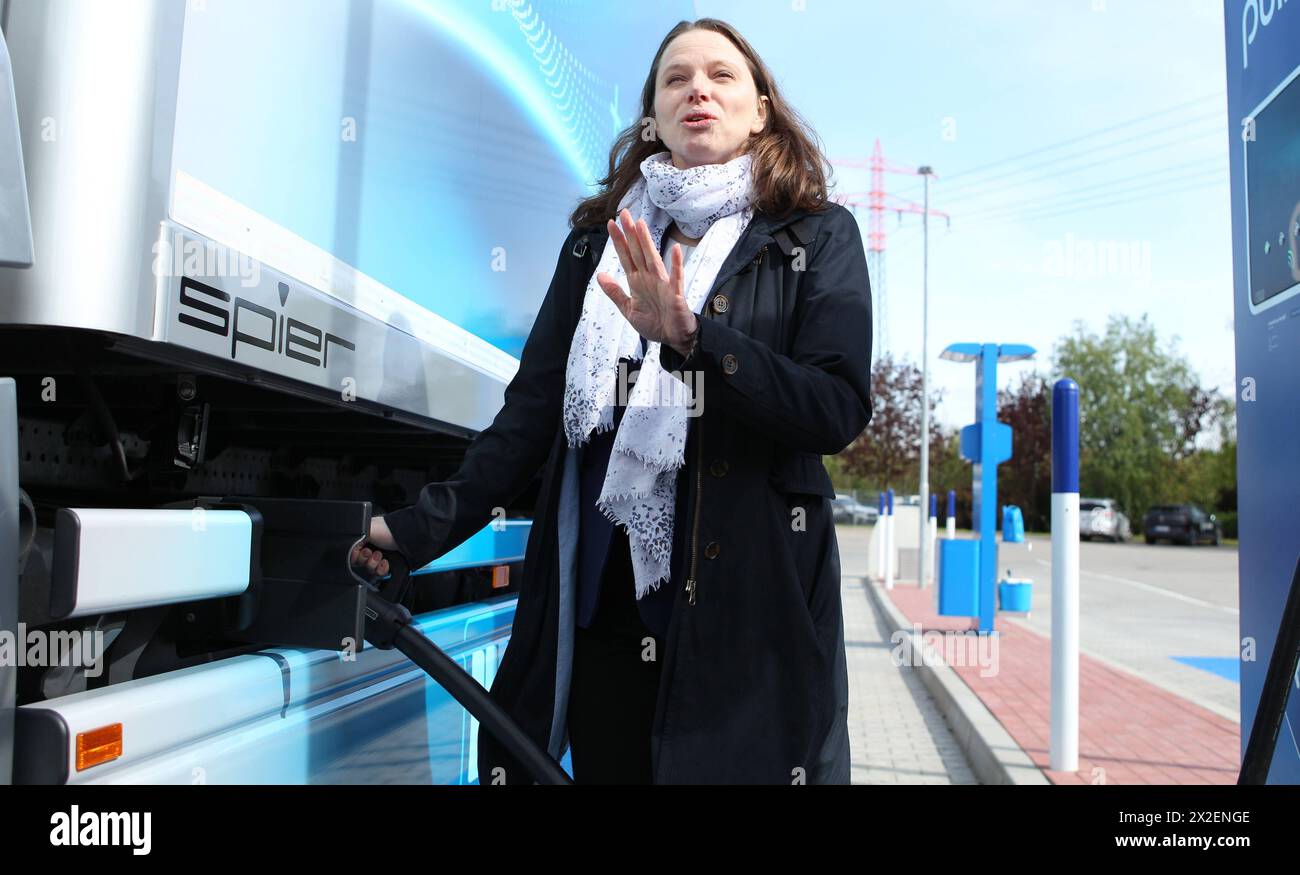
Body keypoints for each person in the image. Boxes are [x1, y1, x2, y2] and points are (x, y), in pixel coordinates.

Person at [351, 17, 873, 785]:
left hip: (747, 620)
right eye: (676, 78)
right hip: (602, 609)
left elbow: (834, 407)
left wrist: (696, 339)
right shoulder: (596, 243)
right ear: (653, 115)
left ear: (761, 108)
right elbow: (529, 418)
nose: (698, 88)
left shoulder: (814, 238)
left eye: (722, 75)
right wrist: (412, 528)